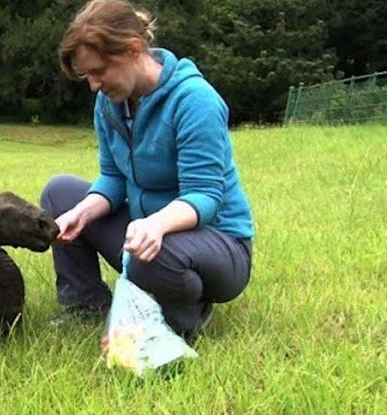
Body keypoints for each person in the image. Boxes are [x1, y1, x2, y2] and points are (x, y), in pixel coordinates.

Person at [39, 0, 254, 342]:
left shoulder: (195, 100)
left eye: (99, 71)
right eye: (86, 77)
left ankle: (182, 319)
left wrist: (155, 225)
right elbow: (112, 177)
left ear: (133, 49)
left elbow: (205, 196)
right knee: (60, 194)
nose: (94, 85)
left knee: (149, 253)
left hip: (220, 245)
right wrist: (80, 213)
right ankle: (86, 305)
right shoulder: (109, 104)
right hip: (150, 232)